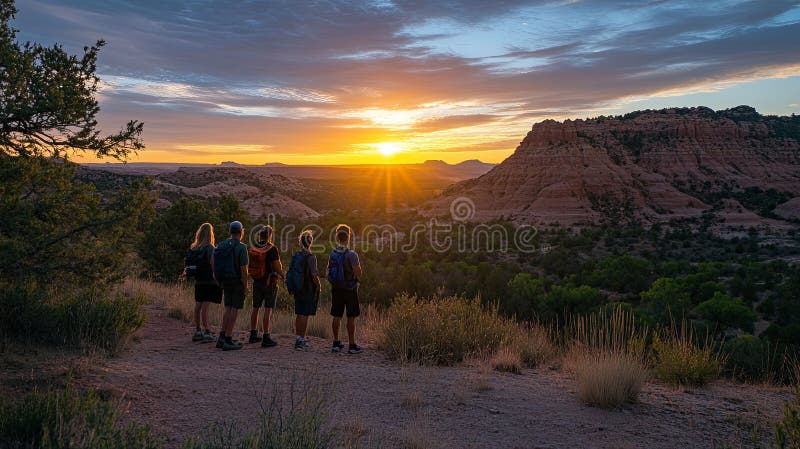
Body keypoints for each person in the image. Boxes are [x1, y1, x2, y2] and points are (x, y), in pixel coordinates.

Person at [326, 224, 363, 354]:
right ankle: (352, 345)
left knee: (337, 315)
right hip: (350, 288)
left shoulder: (333, 253)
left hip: (336, 288)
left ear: (337, 237)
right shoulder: (352, 254)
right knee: (351, 317)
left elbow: (327, 272)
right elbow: (358, 272)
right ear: (349, 236)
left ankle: (336, 343)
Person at [213, 220, 249, 351]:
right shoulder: (241, 247)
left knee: (227, 308)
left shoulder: (222, 245)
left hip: (225, 281)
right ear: (241, 232)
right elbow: (244, 271)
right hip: (236, 282)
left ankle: (222, 337)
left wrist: (218, 279)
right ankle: (228, 339)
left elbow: (215, 262)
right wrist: (245, 286)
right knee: (234, 309)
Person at [247, 225, 282, 348]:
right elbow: (277, 266)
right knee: (268, 309)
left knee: (255, 307)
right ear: (270, 235)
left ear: (260, 235)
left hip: (256, 281)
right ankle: (266, 337)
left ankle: (253, 334)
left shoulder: (254, 247)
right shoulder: (272, 248)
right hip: (269, 281)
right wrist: (283, 276)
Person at [186, 222, 221, 343]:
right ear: (210, 233)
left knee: (198, 305)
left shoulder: (194, 248)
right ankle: (207, 331)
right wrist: (217, 280)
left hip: (198, 280)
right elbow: (213, 265)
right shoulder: (210, 248)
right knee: (206, 306)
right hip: (209, 281)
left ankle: (198, 330)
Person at [286, 230, 320, 351]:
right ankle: (301, 341)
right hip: (307, 289)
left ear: (301, 242)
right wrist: (319, 286)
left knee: (299, 314)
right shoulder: (311, 257)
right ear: (310, 242)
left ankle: (298, 339)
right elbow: (314, 275)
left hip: (297, 288)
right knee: (305, 314)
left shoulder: (296, 255)